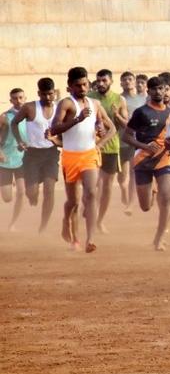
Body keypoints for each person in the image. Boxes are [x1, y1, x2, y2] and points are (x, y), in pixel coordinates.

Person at [50, 66, 117, 253]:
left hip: (90, 155)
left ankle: (90, 239)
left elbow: (111, 128)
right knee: (74, 201)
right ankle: (70, 229)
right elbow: (55, 129)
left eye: (85, 84)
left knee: (91, 194)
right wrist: (77, 120)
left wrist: (100, 144)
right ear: (70, 86)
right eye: (78, 85)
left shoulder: (95, 104)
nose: (82, 88)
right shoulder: (66, 104)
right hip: (70, 157)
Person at [122, 76, 170, 251]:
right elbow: (127, 136)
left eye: (162, 89)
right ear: (149, 91)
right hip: (143, 160)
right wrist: (144, 146)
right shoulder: (141, 112)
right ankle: (152, 190)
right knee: (145, 206)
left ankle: (159, 238)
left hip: (164, 159)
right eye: (155, 89)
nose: (159, 92)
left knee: (167, 196)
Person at [11, 78, 59, 233]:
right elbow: (14, 123)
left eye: (50, 94)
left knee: (49, 189)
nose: (47, 97)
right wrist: (19, 141)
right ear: (39, 93)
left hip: (51, 153)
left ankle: (43, 226)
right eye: (44, 94)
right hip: (32, 154)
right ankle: (33, 195)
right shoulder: (29, 107)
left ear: (54, 93)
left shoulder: (60, 109)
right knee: (31, 192)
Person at [89, 68, 128, 233]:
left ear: (111, 81)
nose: (101, 84)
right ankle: (91, 213)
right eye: (98, 81)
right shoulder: (90, 98)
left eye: (104, 81)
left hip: (112, 147)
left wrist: (117, 115)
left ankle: (100, 220)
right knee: (93, 184)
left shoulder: (119, 99)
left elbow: (126, 124)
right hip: (92, 146)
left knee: (107, 186)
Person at [0, 88, 27, 231]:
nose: (19, 101)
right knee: (7, 198)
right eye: (15, 98)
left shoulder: (30, 116)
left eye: (21, 97)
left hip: (22, 160)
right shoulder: (5, 117)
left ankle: (13, 223)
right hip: (5, 160)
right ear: (11, 101)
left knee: (21, 192)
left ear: (25, 98)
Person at [120, 71, 146, 216]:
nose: (128, 82)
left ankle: (130, 203)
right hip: (121, 140)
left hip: (137, 141)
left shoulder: (143, 99)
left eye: (130, 79)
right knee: (122, 176)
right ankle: (125, 196)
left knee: (133, 172)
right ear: (121, 83)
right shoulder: (119, 99)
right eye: (125, 80)